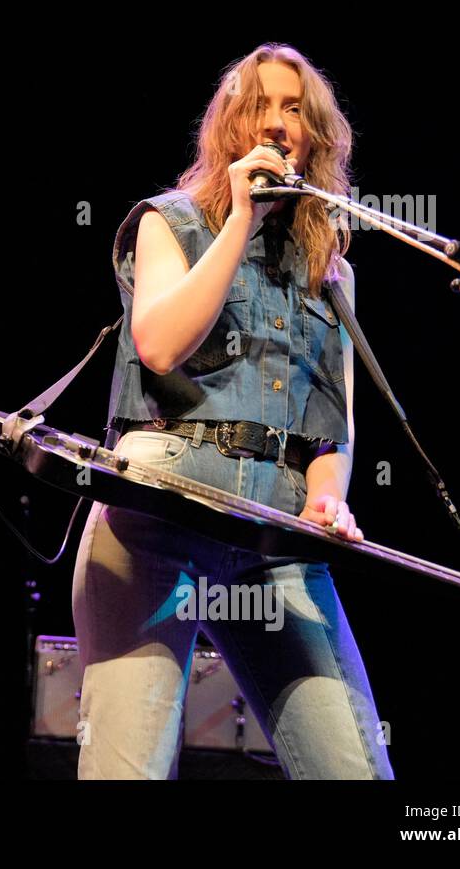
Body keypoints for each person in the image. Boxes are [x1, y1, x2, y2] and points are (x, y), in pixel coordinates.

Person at [71, 43, 393, 779]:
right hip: (156, 517)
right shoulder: (170, 221)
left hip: (271, 544)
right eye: (259, 106)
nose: (277, 124)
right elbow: (159, 344)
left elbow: (330, 425)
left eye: (293, 110)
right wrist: (240, 219)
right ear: (228, 127)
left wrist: (326, 500)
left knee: (355, 768)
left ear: (315, 137)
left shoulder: (329, 267)